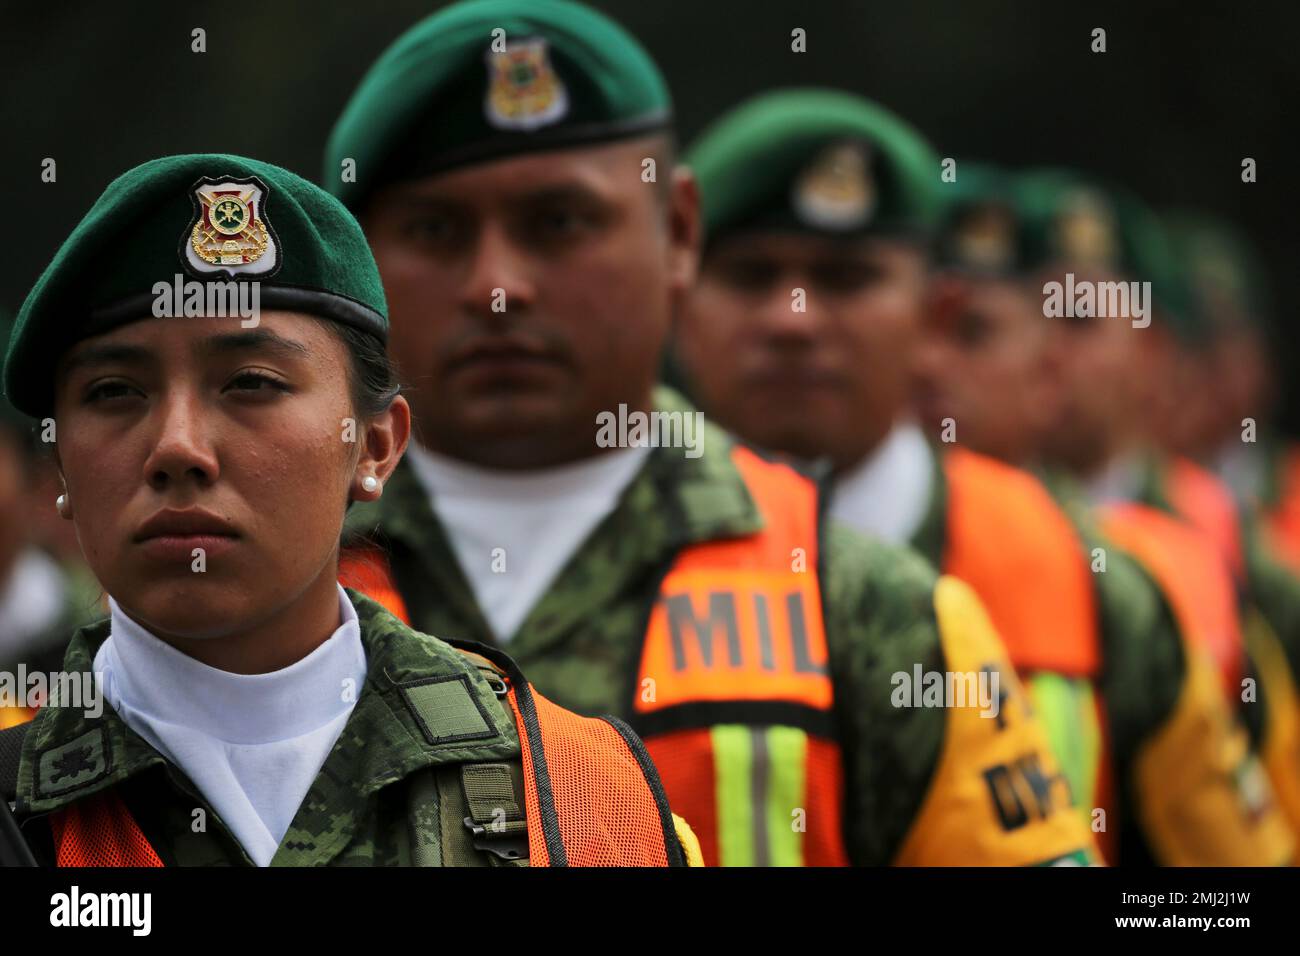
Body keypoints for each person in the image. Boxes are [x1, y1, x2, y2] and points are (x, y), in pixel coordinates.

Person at [325, 0, 1095, 865]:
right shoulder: (251, 589)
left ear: (679, 232)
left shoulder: (871, 612)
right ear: (358, 266)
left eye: (559, 223)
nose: (499, 286)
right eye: (436, 230)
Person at [0, 153, 695, 868]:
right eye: (114, 392)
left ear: (376, 445)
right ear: (58, 462)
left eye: (250, 381)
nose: (177, 446)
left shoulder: (590, 805)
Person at [674, 96, 1292, 864]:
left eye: (848, 278)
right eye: (750, 275)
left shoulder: (1098, 584)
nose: (794, 318)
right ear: (677, 288)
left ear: (936, 313)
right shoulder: (600, 558)